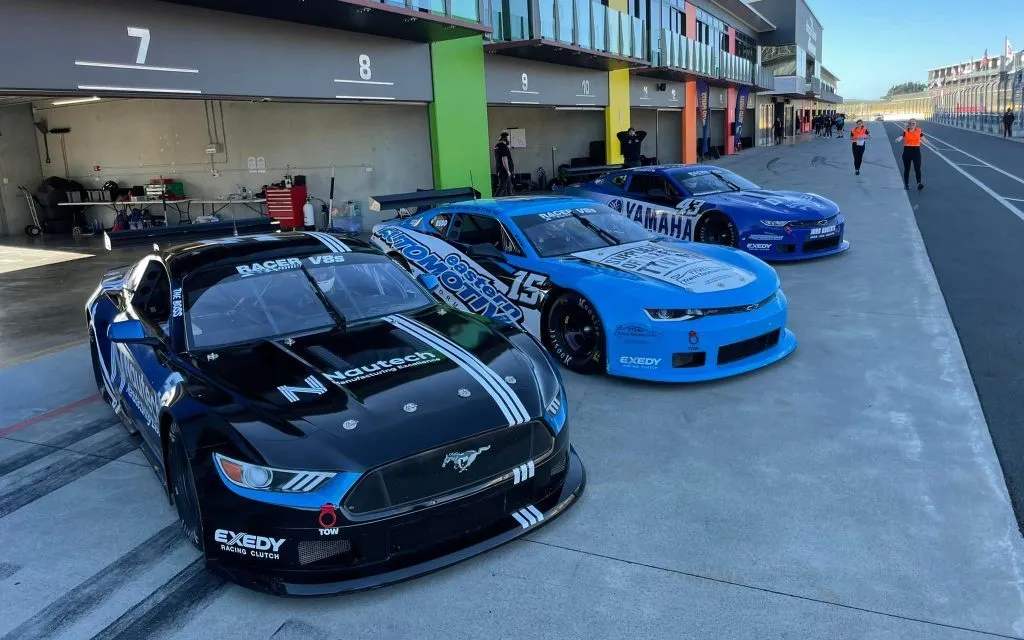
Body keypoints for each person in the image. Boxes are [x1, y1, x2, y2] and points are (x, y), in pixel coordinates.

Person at [894, 118, 925, 190]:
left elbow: (924, 139)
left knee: (917, 168)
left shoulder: (919, 131)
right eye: (910, 123)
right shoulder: (905, 131)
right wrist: (897, 139)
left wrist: (933, 146)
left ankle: (919, 183)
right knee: (907, 169)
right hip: (907, 152)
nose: (911, 125)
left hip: (916, 152)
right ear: (908, 124)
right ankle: (907, 184)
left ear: (916, 124)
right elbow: (900, 137)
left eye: (913, 123)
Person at [493, 131, 515, 196]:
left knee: (509, 188)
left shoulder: (498, 146)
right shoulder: (503, 146)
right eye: (508, 138)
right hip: (504, 171)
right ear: (505, 138)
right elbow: (504, 159)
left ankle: (511, 202)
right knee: (502, 187)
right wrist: (508, 170)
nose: (509, 140)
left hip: (503, 170)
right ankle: (495, 201)